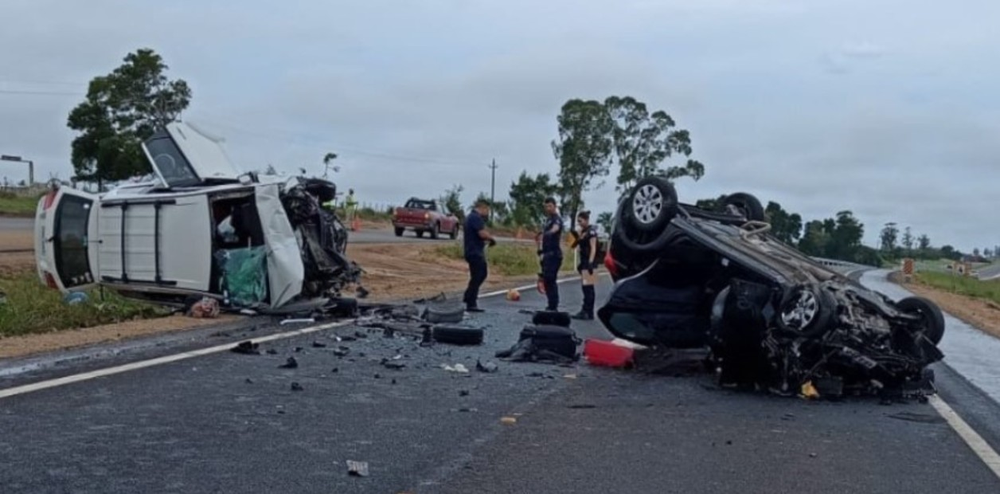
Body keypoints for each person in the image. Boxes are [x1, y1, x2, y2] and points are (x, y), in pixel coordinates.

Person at [463, 199, 496, 312]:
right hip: (475, 252)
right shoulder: (476, 218)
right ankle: (470, 299)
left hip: (472, 250)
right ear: (482, 208)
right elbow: (481, 233)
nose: (487, 213)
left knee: (477, 275)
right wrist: (491, 238)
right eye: (487, 210)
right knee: (480, 275)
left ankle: (470, 299)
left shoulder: (470, 217)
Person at [538, 197, 564, 311]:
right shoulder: (548, 220)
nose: (548, 209)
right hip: (548, 254)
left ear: (554, 206)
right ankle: (551, 305)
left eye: (550, 206)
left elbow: (556, 228)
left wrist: (590, 262)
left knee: (588, 285)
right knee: (547, 279)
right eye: (546, 206)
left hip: (588, 265)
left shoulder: (556, 219)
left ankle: (553, 305)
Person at [572, 210, 599, 320]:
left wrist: (590, 263)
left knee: (589, 288)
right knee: (585, 288)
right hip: (584, 261)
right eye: (578, 221)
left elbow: (593, 248)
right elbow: (574, 246)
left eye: (580, 221)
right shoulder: (583, 231)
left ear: (586, 220)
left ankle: (588, 311)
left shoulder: (591, 232)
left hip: (590, 262)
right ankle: (586, 310)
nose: (579, 223)